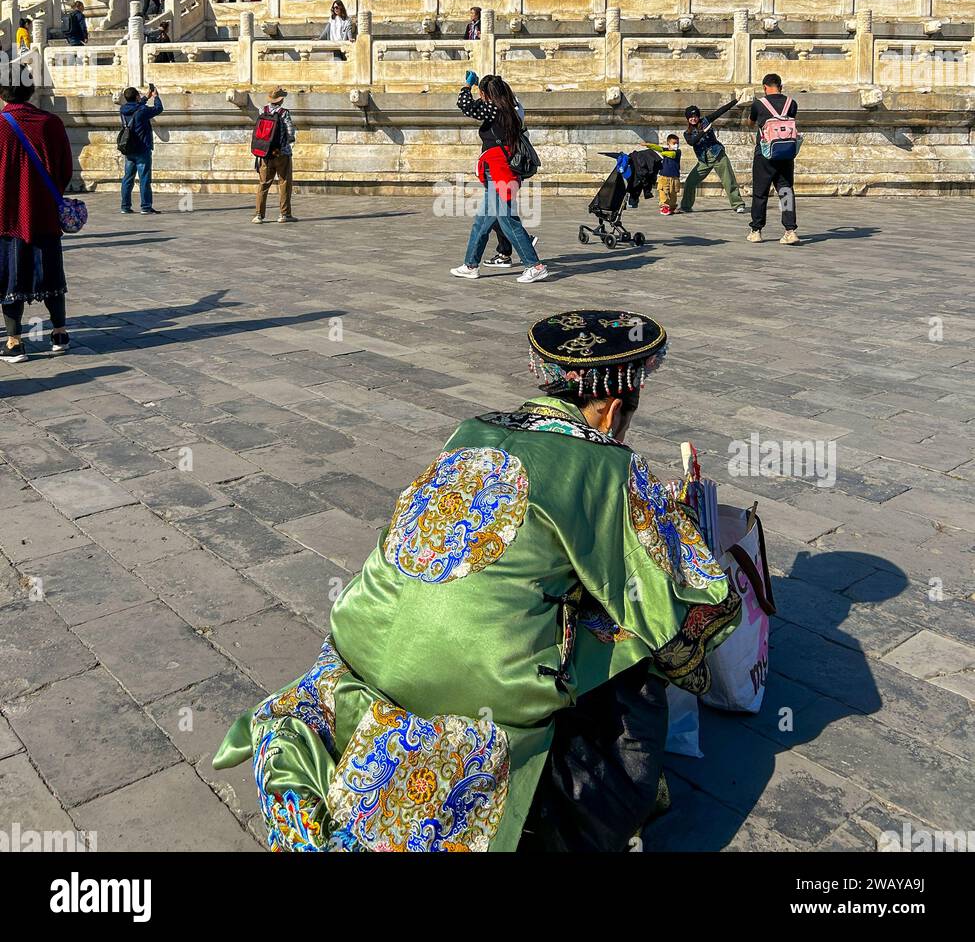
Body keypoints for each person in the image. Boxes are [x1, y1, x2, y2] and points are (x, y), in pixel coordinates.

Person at [213, 309, 741, 852]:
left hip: (358, 642)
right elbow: (685, 600)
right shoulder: (609, 464)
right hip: (476, 682)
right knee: (638, 637)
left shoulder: (472, 430)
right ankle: (582, 816)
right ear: (609, 412)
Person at [0, 67, 74, 362]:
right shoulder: (51, 123)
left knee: (9, 278)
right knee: (52, 273)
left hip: (6, 218)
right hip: (44, 214)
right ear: (31, 90)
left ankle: (15, 342)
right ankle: (59, 333)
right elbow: (65, 169)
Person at [451, 72, 548, 283]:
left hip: (500, 171)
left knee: (507, 221)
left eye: (483, 93)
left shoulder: (495, 109)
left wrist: (467, 85)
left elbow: (465, 105)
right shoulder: (512, 108)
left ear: (488, 94)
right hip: (499, 170)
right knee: (482, 222)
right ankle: (470, 265)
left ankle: (535, 265)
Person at [747, 73, 800, 246]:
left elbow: (751, 122)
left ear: (764, 87)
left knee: (760, 192)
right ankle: (790, 230)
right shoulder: (791, 103)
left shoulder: (758, 104)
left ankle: (756, 230)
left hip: (765, 154)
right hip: (785, 154)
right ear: (780, 86)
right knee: (785, 190)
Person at [679, 97, 747, 214]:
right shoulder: (687, 133)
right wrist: (703, 131)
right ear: (687, 119)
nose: (693, 119)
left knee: (728, 180)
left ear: (698, 116)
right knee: (690, 181)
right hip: (704, 160)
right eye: (690, 117)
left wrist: (736, 101)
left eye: (695, 116)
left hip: (718, 155)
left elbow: (721, 111)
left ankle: (738, 204)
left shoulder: (706, 121)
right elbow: (692, 142)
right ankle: (686, 206)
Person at [253, 87, 297, 225]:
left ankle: (259, 215)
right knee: (284, 182)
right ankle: (285, 214)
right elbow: (290, 132)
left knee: (264, 183)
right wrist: (288, 141)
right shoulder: (284, 113)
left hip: (265, 152)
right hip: (281, 152)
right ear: (281, 100)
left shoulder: (262, 111)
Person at [119, 85, 163, 215]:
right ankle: (146, 206)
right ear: (136, 96)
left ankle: (125, 206)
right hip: (142, 148)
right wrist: (156, 97)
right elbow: (158, 109)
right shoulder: (142, 110)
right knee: (144, 179)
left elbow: (136, 107)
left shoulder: (122, 110)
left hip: (129, 148)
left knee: (128, 178)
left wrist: (145, 98)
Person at [645, 133, 682, 215]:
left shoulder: (677, 152)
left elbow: (671, 154)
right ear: (668, 143)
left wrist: (663, 153)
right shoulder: (665, 149)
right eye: (674, 143)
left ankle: (672, 207)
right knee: (663, 193)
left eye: (677, 143)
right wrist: (649, 145)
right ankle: (664, 207)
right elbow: (657, 148)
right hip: (664, 177)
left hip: (674, 177)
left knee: (673, 194)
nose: (676, 145)